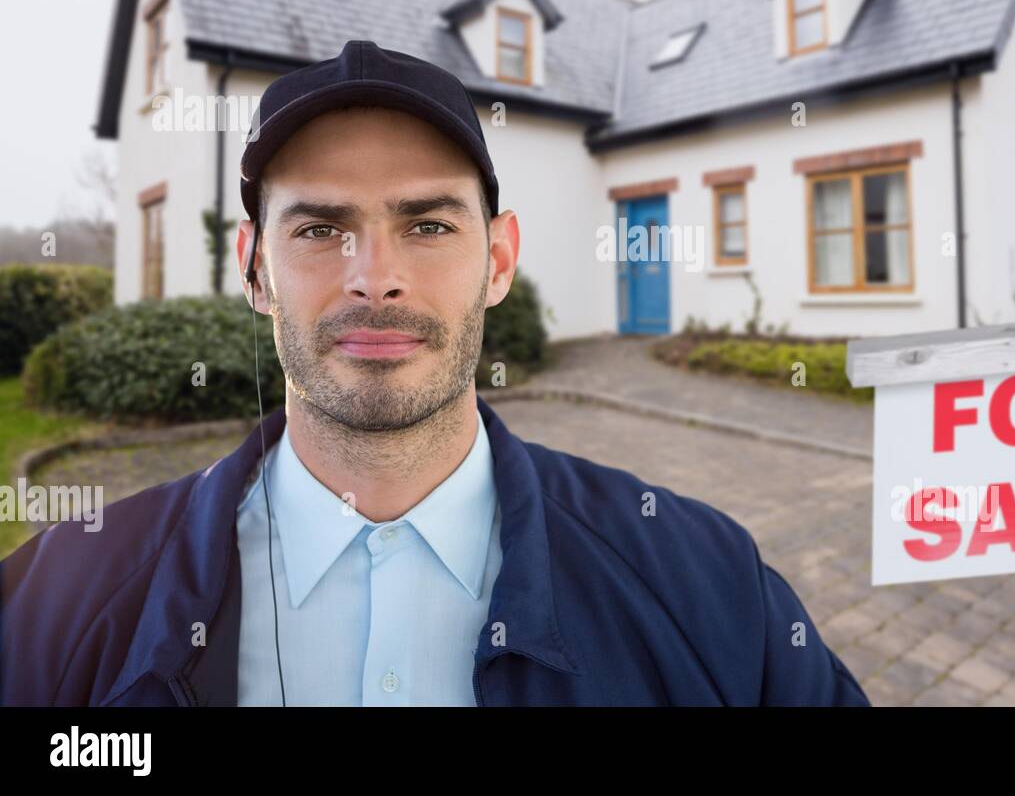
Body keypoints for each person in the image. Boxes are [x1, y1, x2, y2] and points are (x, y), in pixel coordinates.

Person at [0, 40, 870, 707]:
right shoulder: (51, 607)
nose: (373, 275)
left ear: (498, 261)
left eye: (427, 226)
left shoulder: (708, 585)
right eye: (316, 230)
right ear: (254, 268)